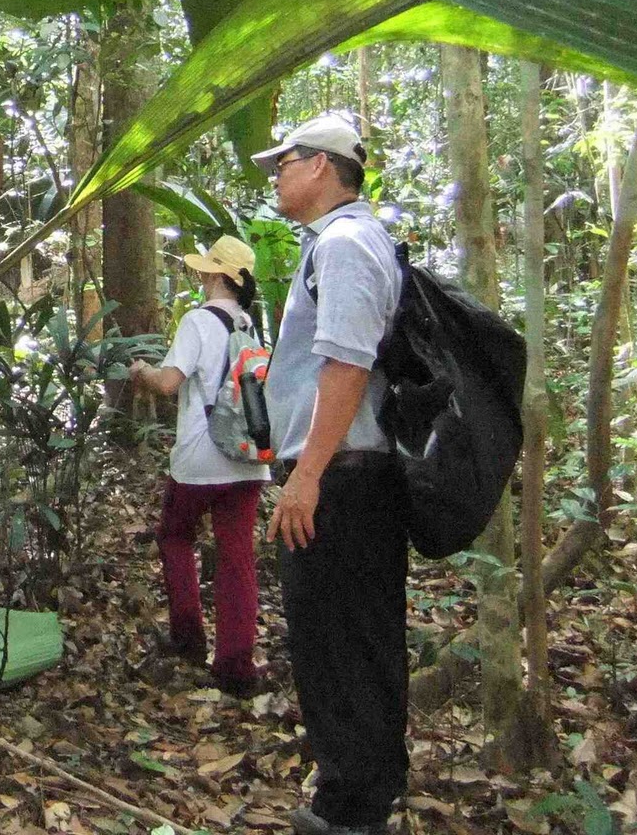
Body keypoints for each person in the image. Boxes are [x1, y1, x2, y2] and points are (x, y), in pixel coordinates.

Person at [252, 113, 404, 835]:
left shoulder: (344, 244)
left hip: (339, 477)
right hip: (342, 472)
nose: (275, 175)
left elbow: (350, 362)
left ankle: (351, 812)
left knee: (338, 641)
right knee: (346, 638)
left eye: (283, 162)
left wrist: (306, 475)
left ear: (319, 166)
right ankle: (355, 800)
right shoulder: (343, 243)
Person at [129, 234, 269, 697]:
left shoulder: (197, 321)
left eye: (206, 270)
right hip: (248, 459)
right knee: (236, 559)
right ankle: (235, 666)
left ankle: (187, 638)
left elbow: (168, 384)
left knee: (174, 535)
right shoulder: (252, 323)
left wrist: (141, 372)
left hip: (200, 458)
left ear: (216, 276)